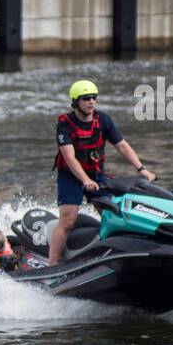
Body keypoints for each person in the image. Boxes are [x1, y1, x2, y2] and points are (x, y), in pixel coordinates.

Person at [50, 80, 156, 266]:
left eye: (94, 98)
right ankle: (53, 264)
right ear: (75, 101)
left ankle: (115, 252)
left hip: (97, 174)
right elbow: (69, 157)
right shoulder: (64, 124)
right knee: (68, 219)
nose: (91, 101)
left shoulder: (103, 120)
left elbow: (122, 146)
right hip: (71, 176)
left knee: (112, 214)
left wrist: (142, 169)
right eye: (86, 98)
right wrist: (84, 180)